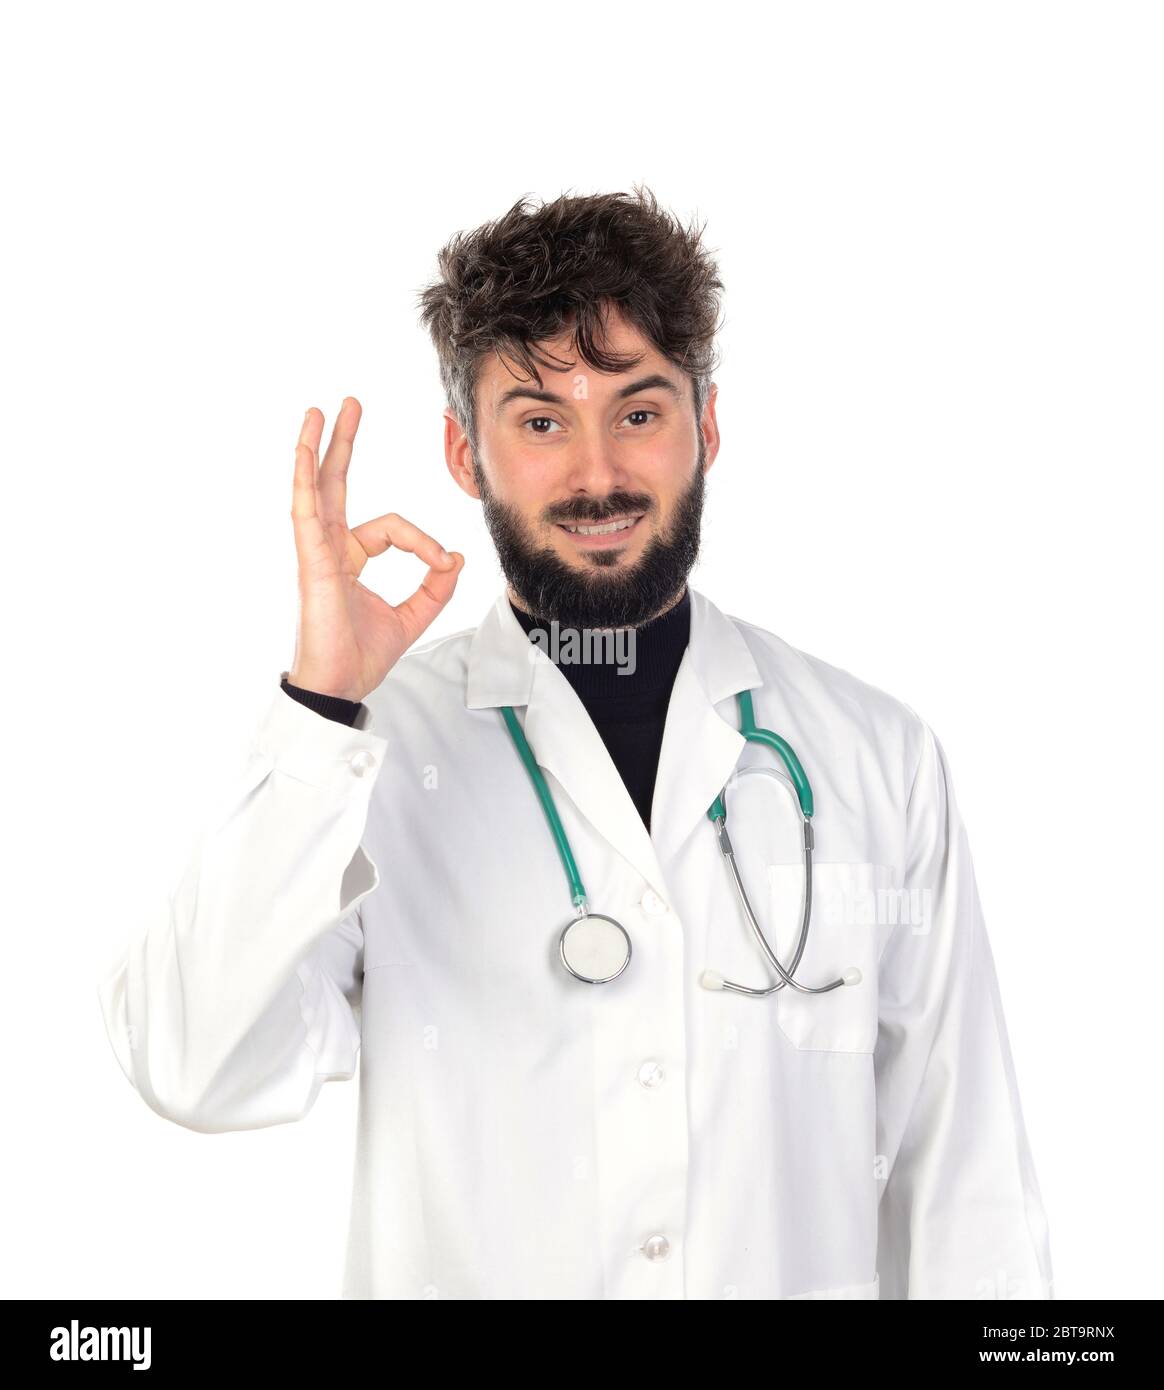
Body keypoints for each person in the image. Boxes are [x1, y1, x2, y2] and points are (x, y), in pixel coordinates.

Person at [98, 187, 1053, 1301]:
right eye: (541, 421)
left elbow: (964, 1182)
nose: (598, 473)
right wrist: (318, 708)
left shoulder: (874, 758)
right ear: (466, 451)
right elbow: (191, 1064)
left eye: (639, 412)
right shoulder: (374, 753)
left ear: (708, 422)